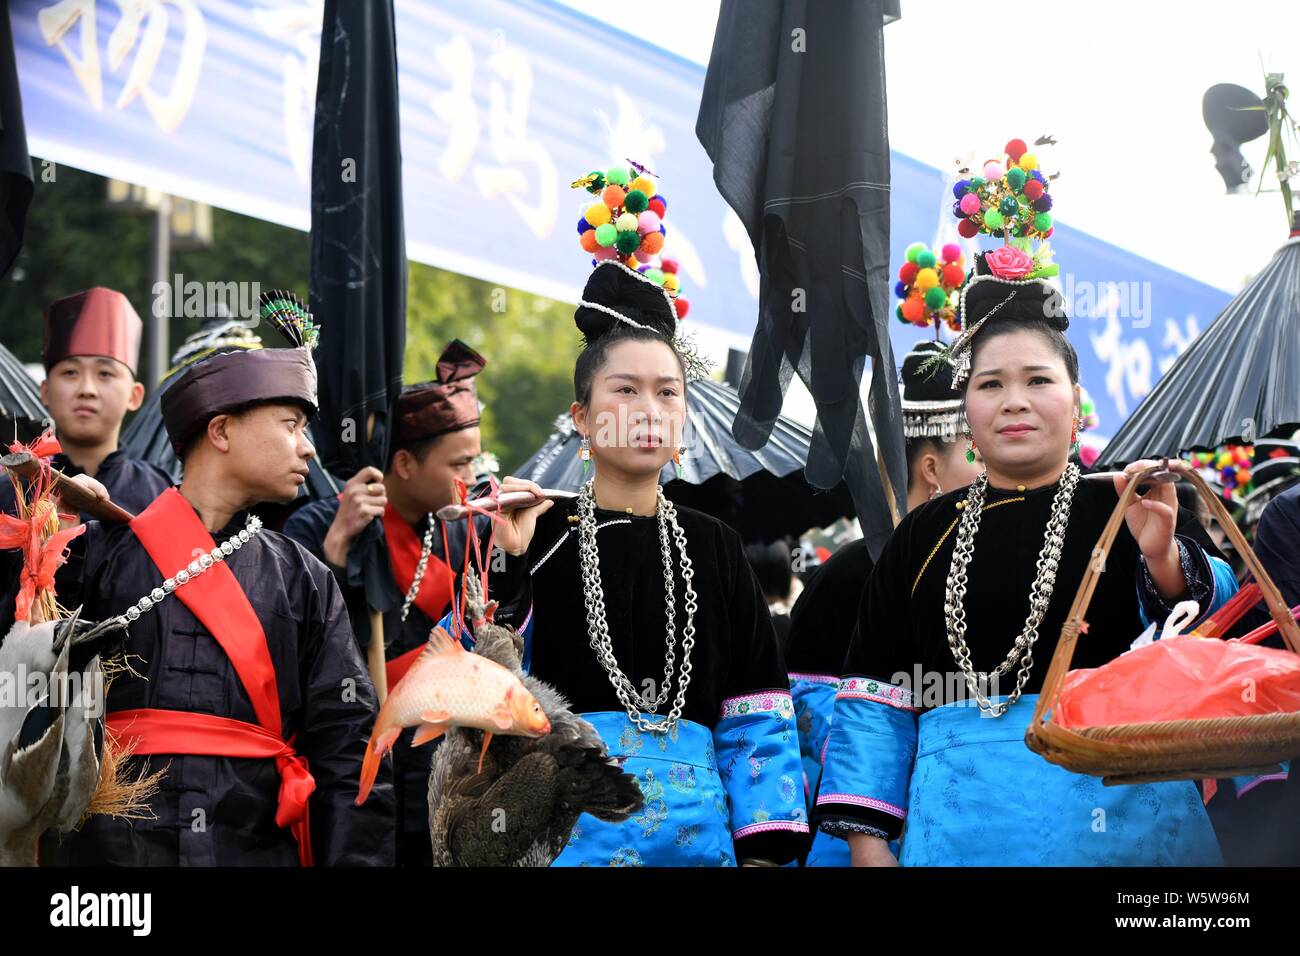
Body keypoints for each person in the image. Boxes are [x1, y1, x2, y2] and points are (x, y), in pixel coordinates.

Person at [814, 248, 1237, 866]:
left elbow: (1221, 630)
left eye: (1038, 380)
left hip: (1124, 826)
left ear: (1075, 401)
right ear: (968, 411)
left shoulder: (1130, 505)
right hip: (960, 831)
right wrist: (869, 845)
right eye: (990, 385)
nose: (1014, 400)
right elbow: (876, 696)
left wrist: (1163, 555)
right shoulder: (921, 536)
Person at [7, 291, 394, 866]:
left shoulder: (305, 579)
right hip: (103, 856)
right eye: (290, 425)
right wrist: (44, 533)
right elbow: (21, 686)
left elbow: (349, 748)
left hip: (253, 848)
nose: (308, 449)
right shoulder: (95, 555)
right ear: (221, 431)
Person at [488, 254, 808, 866]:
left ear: (684, 418)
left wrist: (764, 853)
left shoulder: (714, 545)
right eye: (625, 390)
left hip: (699, 843)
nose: (648, 409)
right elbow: (481, 687)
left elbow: (755, 707)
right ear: (581, 417)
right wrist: (509, 562)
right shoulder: (536, 531)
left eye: (667, 393)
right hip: (563, 836)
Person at [282, 339, 496, 866]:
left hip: (447, 765)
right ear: (403, 462)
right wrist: (337, 546)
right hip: (354, 758)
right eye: (459, 463)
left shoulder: (467, 532)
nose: (472, 477)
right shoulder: (319, 522)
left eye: (475, 461)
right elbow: (291, 638)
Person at [788, 339, 982, 866]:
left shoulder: (989, 562)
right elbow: (813, 723)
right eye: (974, 446)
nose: (990, 459)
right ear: (930, 468)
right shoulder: (851, 574)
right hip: (864, 832)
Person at [1, 288, 172, 518]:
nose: (87, 390)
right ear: (45, 391)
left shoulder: (161, 494)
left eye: (105, 374)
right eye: (71, 372)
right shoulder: (10, 492)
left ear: (135, 395)